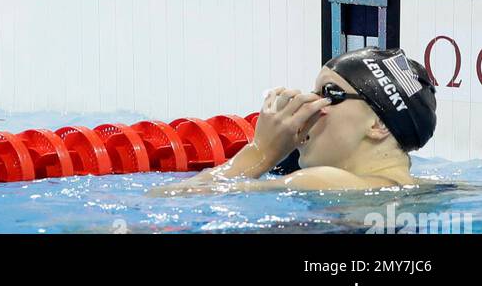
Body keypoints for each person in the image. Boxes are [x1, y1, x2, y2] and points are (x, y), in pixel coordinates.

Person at [172, 49, 436, 191]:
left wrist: (261, 151)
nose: (308, 105)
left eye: (329, 94)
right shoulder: (431, 191)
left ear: (377, 125)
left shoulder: (320, 182)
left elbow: (176, 201)